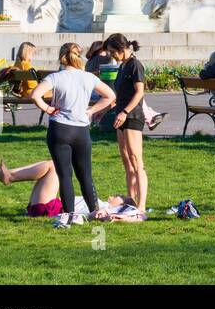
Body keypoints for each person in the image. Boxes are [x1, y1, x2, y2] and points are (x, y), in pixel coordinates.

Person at [31, 43, 116, 228]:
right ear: (79, 57)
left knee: (65, 175)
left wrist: (48, 108)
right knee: (85, 175)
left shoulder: (55, 77)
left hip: (60, 128)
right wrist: (92, 111)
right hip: (81, 130)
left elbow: (35, 94)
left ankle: (69, 215)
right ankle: (95, 211)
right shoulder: (88, 78)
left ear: (61, 57)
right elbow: (110, 95)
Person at [109, 34, 150, 214]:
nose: (111, 56)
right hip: (121, 116)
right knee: (127, 162)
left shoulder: (135, 65)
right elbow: (121, 93)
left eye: (112, 52)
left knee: (136, 161)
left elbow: (139, 92)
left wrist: (125, 112)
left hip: (132, 116)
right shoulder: (123, 66)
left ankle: (141, 206)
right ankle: (130, 202)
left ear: (121, 48)